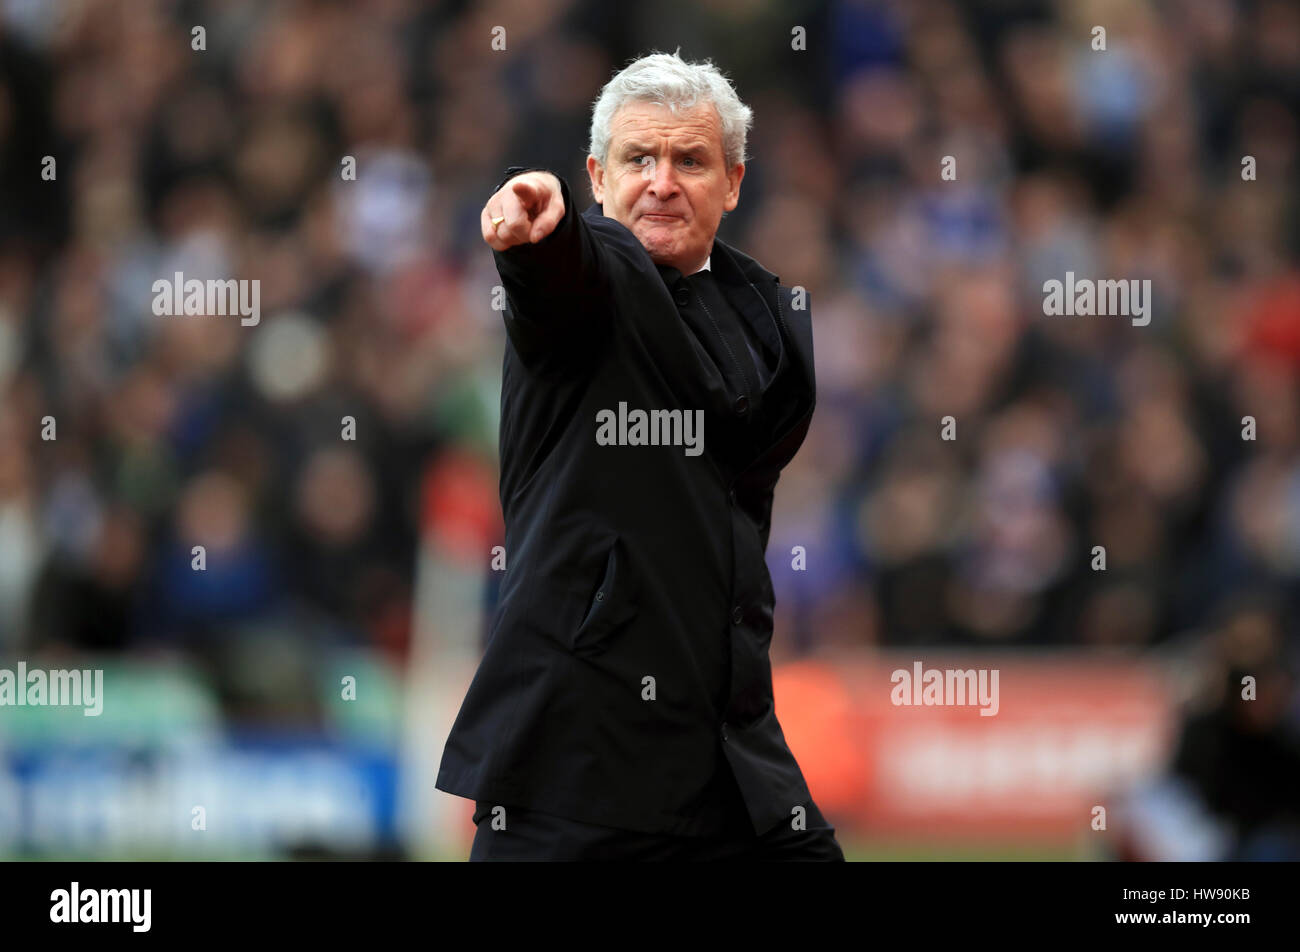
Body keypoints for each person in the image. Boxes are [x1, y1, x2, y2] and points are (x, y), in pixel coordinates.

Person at [436, 51, 844, 861]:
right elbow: (563, 280)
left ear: (731, 182)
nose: (661, 181)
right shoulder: (596, 278)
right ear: (596, 175)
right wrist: (537, 233)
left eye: (690, 161)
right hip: (576, 772)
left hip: (731, 759)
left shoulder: (762, 310)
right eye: (638, 159)